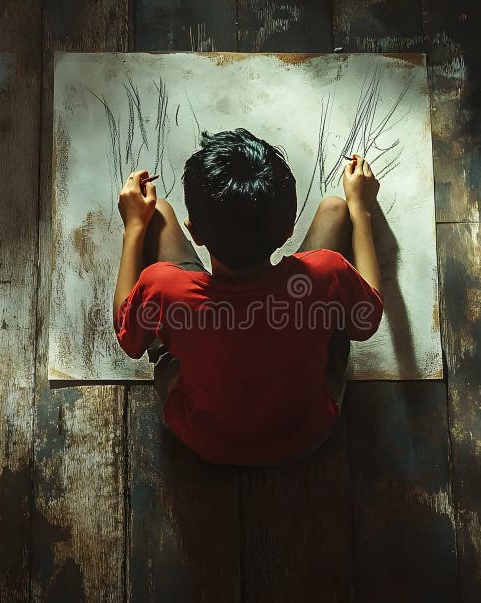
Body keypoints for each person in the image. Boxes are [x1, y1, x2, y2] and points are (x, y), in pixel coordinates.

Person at [112, 128, 383, 466]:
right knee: (335, 209)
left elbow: (129, 337)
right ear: (287, 232)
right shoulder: (327, 274)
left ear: (194, 232)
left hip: (206, 437)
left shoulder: (164, 288)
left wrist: (134, 227)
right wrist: (361, 210)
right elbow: (366, 323)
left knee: (159, 213)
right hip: (305, 433)